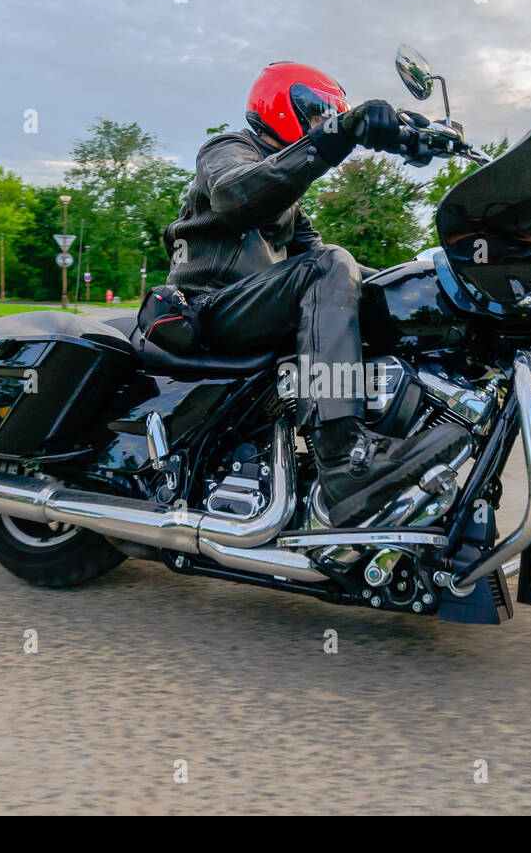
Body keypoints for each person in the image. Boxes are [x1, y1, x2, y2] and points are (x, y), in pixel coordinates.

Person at [163, 61, 466, 526]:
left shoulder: (289, 203)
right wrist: (340, 135)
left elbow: (331, 267)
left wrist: (422, 283)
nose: (324, 122)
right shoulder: (226, 150)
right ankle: (343, 457)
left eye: (332, 115)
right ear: (283, 104)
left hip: (255, 311)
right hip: (209, 306)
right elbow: (237, 196)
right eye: (321, 113)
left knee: (372, 279)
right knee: (331, 264)